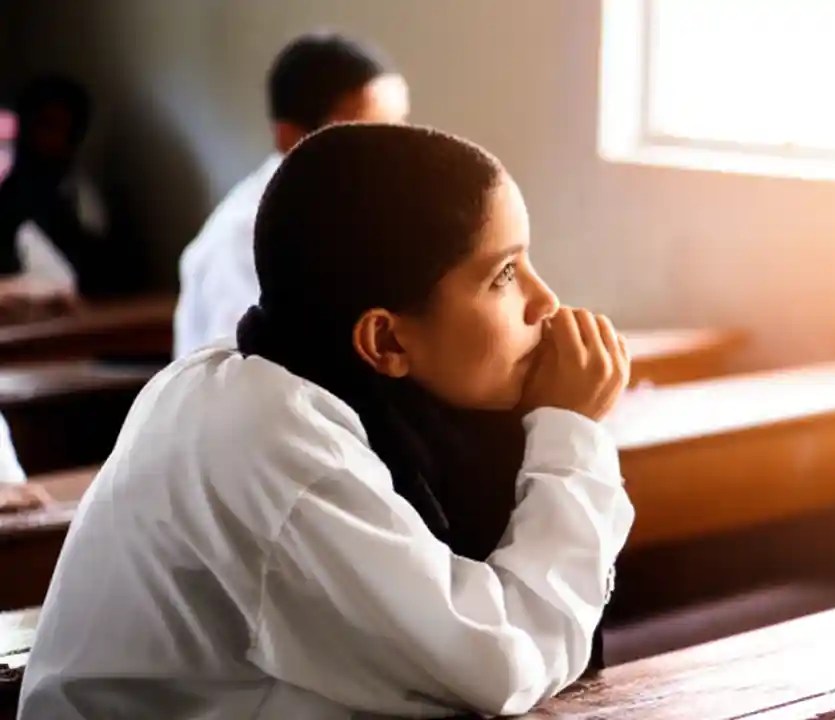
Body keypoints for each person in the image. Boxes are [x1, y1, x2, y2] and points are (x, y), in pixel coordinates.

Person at [21, 123, 634, 719]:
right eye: (504, 274)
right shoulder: (268, 436)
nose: (546, 300)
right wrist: (570, 435)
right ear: (385, 340)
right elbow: (499, 664)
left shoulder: (309, 384)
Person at [173, 31, 411, 358]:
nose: (393, 152)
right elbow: (247, 371)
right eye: (366, 134)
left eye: (398, 126)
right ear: (290, 137)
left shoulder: (368, 210)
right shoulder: (240, 239)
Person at [0, 75, 108, 317]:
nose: (57, 140)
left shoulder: (83, 191)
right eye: (47, 126)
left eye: (66, 129)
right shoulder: (9, 202)